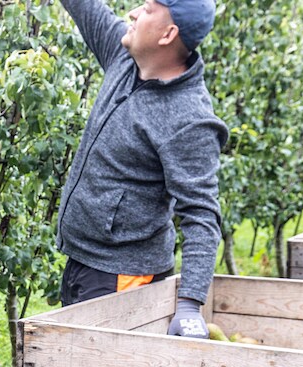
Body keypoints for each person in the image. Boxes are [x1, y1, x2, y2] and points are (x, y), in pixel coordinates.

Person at [55, 0, 228, 338]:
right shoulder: (125, 58)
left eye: (147, 9)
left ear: (168, 34)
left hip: (123, 276)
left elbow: (201, 214)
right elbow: (85, 6)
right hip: (83, 261)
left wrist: (190, 303)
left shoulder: (188, 119)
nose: (132, 13)